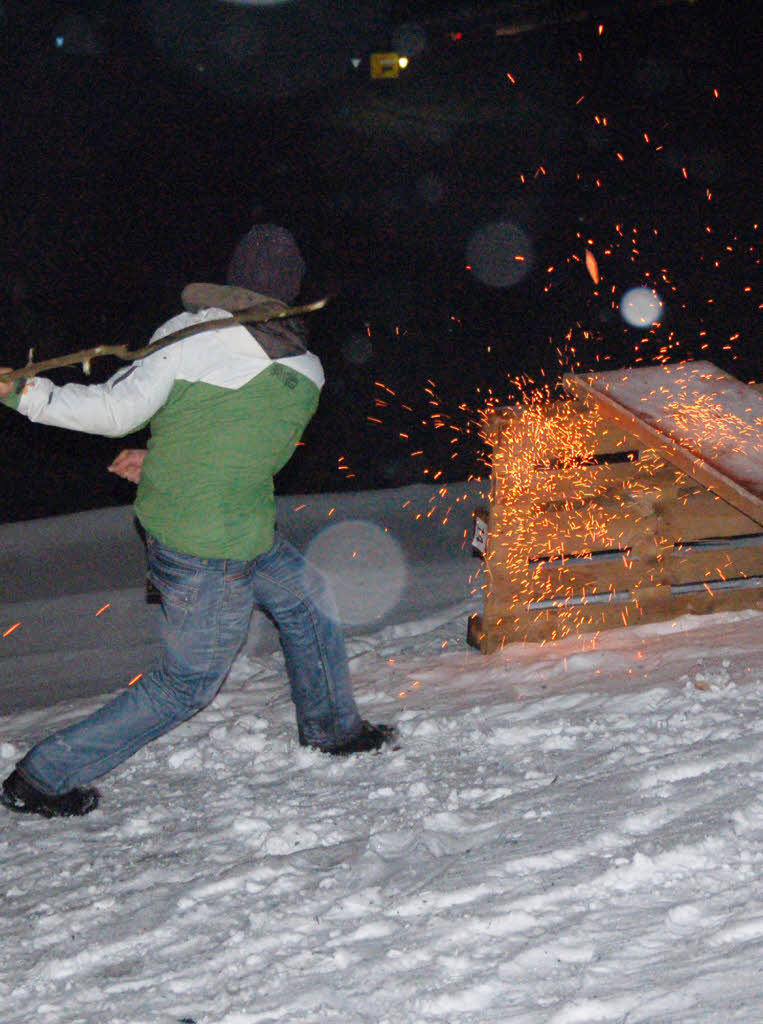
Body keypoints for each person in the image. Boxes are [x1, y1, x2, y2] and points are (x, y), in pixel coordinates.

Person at [0, 224, 394, 819]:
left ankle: (332, 730)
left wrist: (25, 394)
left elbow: (115, 412)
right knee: (188, 682)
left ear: (233, 278)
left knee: (304, 602)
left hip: (222, 533)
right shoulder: (307, 370)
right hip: (217, 539)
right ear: (292, 291)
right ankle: (41, 778)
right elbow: (253, 448)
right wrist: (165, 460)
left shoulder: (190, 334)